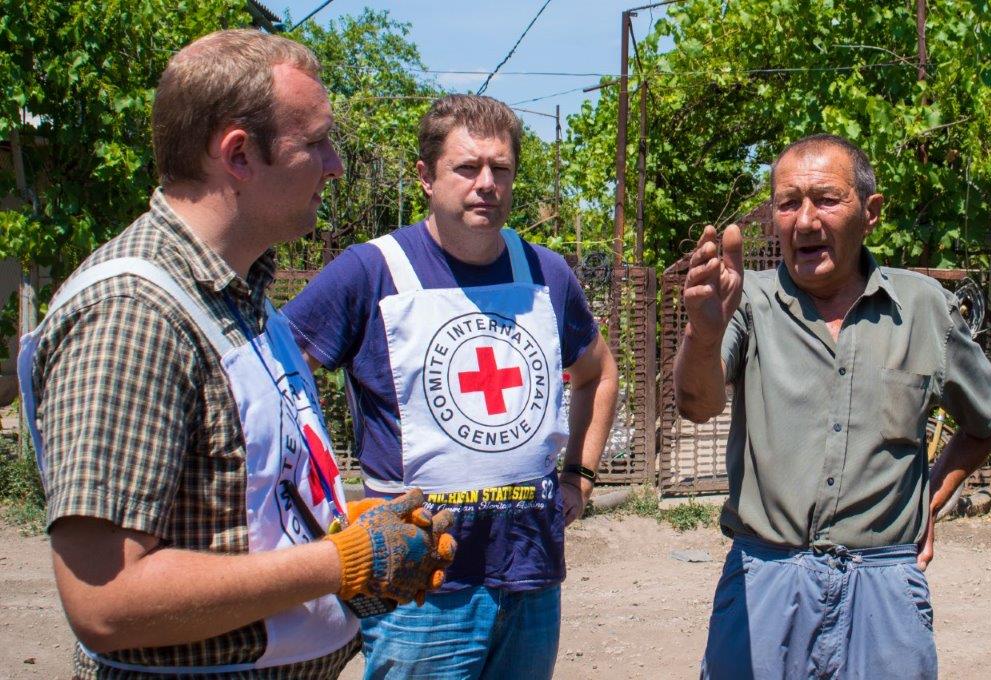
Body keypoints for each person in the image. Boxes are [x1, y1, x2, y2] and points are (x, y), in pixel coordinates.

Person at [18, 29, 454, 678]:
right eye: (316, 143)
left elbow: (239, 506)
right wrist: (340, 563)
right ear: (239, 155)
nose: (335, 165)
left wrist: (331, 528)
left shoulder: (239, 294)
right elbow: (105, 599)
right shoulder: (136, 312)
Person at [284, 93, 618, 679]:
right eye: (467, 168)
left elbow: (598, 372)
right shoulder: (373, 271)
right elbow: (279, 382)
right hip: (420, 584)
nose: (486, 183)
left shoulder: (546, 273)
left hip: (531, 574)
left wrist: (579, 477)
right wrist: (323, 515)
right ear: (425, 177)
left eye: (501, 169)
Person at [673, 134, 991, 680]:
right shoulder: (749, 303)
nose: (805, 220)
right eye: (788, 203)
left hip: (883, 584)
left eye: (826, 199)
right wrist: (704, 332)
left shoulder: (922, 307)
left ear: (870, 212)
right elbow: (696, 404)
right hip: (766, 576)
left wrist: (932, 498)